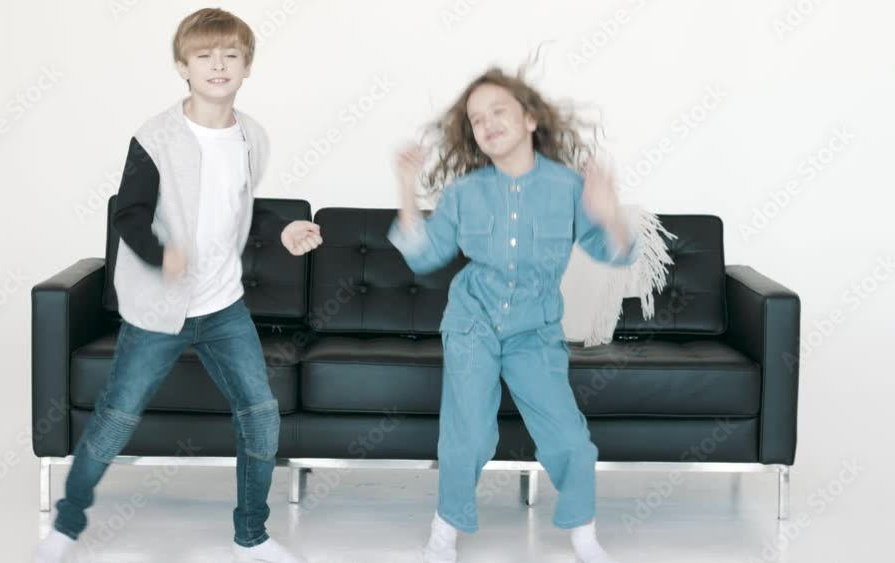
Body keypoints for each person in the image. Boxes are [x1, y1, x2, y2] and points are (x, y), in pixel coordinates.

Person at [33, 8, 322, 563]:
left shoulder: (251, 136)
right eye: (205, 55)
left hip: (223, 307)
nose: (218, 65)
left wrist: (282, 228)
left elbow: (239, 207)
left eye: (230, 55)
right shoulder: (156, 135)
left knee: (260, 414)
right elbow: (130, 213)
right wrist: (160, 255)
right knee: (116, 419)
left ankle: (252, 536)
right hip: (158, 312)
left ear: (247, 67)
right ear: (182, 67)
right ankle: (66, 527)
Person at [387, 67, 639, 563]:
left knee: (567, 435)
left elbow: (619, 256)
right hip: (471, 320)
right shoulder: (463, 192)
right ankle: (445, 530)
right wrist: (406, 186)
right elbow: (423, 256)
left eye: (497, 111)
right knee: (469, 432)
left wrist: (610, 213)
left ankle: (584, 533)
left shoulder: (569, 187)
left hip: (536, 329)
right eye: (477, 119)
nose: (487, 123)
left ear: (528, 118)